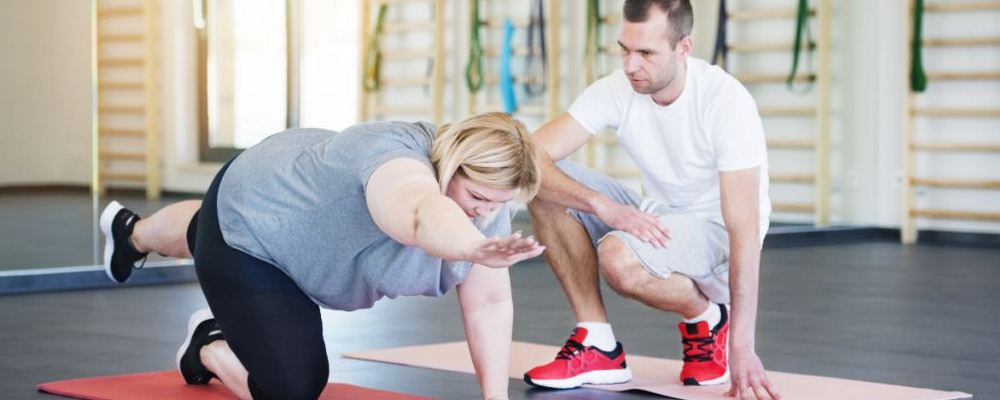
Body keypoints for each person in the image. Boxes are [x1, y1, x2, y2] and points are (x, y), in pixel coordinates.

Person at [98, 112, 543, 400]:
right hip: (256, 224)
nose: (485, 213)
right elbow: (418, 213)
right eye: (479, 197)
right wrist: (470, 247)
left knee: (205, 230)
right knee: (292, 391)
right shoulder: (397, 160)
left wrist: (494, 398)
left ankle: (131, 233)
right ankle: (208, 346)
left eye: (500, 205)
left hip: (289, 211)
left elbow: (489, 303)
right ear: (454, 163)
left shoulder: (485, 205)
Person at [521, 1, 780, 399]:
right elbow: (531, 153)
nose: (630, 65)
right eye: (624, 49)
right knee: (539, 180)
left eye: (645, 53)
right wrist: (601, 205)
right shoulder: (617, 87)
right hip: (660, 214)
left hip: (717, 232)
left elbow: (742, 229)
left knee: (618, 257)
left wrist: (741, 347)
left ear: (684, 47)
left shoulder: (725, 102)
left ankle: (709, 319)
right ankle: (597, 343)